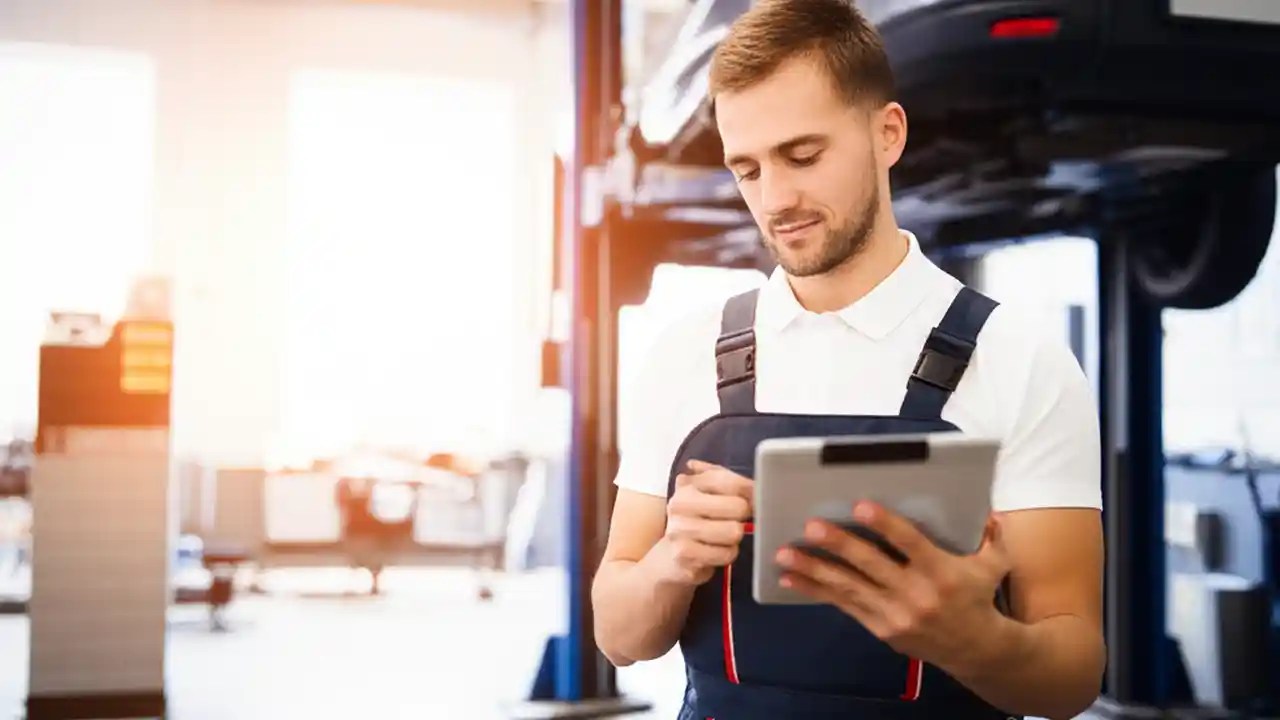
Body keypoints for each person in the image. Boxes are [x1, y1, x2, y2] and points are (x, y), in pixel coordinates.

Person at [590, 1, 1105, 719]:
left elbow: (1074, 672)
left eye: (803, 156)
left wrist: (978, 642)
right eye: (748, 170)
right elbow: (618, 638)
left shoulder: (1019, 362)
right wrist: (670, 561)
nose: (776, 200)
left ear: (886, 133)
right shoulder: (685, 357)